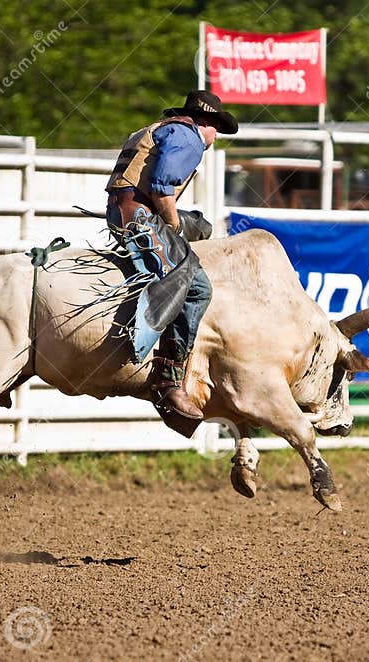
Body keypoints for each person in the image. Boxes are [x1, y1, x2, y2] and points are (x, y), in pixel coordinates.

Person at [104, 90, 239, 420]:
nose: (215, 137)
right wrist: (175, 226)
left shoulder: (157, 129)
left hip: (121, 211)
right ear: (205, 122)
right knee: (197, 288)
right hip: (139, 218)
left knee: (201, 225)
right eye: (215, 129)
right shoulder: (188, 138)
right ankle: (168, 378)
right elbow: (162, 189)